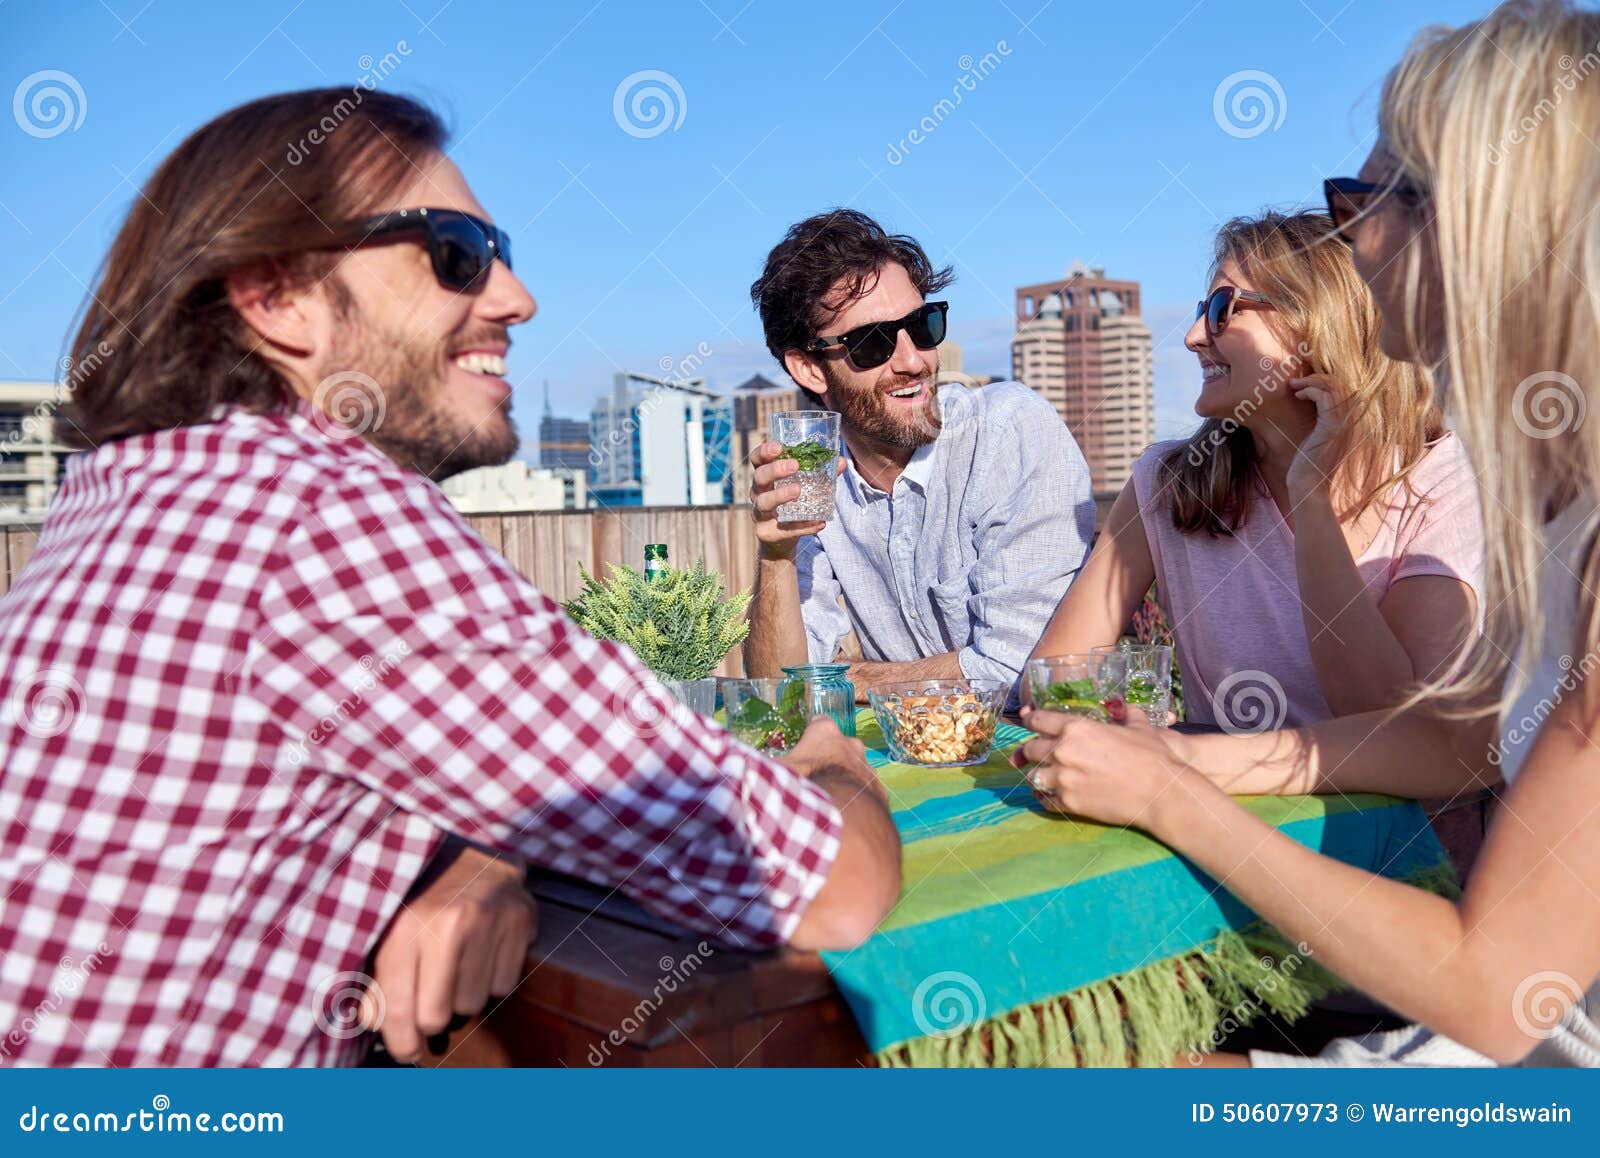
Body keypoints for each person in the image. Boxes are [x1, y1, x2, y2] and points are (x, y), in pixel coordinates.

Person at [0, 89, 900, 1067]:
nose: (516, 297)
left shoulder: (123, 493)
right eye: (456, 253)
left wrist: (485, 859)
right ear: (276, 299)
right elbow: (832, 888)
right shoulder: (321, 517)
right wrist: (832, 768)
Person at [1017, 0, 1600, 1068]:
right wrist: (1176, 765)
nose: (1349, 234)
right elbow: (1448, 741)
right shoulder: (1558, 508)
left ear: (1475, 219)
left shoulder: (1510, 503)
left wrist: (1173, 791)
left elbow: (1495, 990)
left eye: (1358, 198)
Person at [1029, 209, 1484, 729]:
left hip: (1383, 813)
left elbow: (1388, 725)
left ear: (1319, 321)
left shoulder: (1439, 482)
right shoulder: (1168, 482)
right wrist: (1133, 737)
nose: (1194, 336)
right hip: (1197, 804)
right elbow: (1054, 681)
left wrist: (1310, 494)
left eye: (1223, 309)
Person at [743, 209, 1095, 696]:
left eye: (924, 325)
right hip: (905, 760)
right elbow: (776, 692)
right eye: (872, 342)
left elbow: (1024, 672)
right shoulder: (816, 480)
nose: (914, 361)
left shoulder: (1005, 432)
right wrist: (776, 555)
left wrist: (850, 678)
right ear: (810, 370)